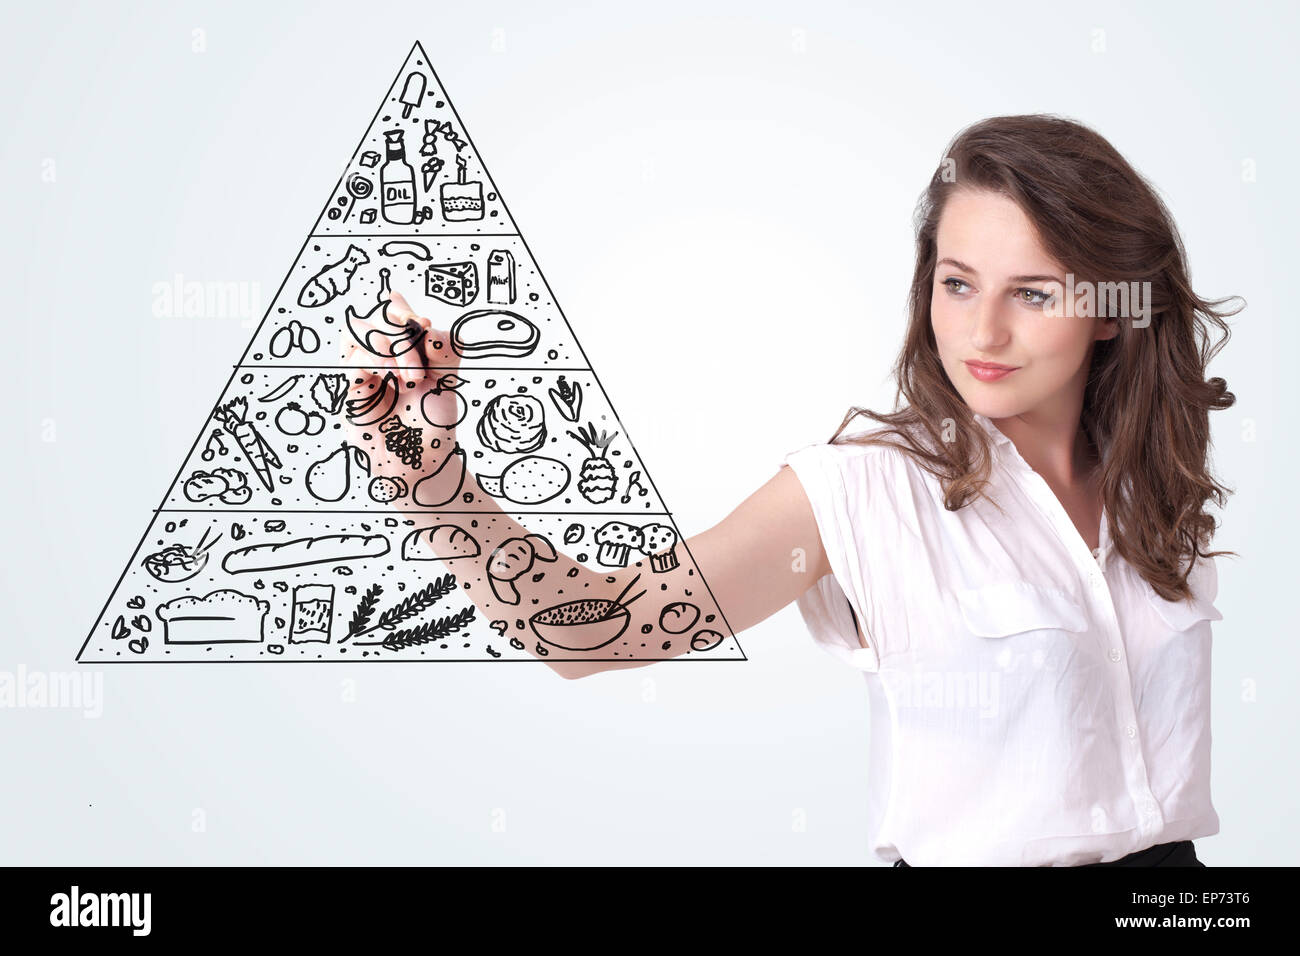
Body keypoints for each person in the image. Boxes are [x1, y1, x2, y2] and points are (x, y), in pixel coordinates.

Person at [343, 114, 1240, 867]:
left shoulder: (1152, 486)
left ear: (1118, 312)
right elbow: (586, 633)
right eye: (957, 284)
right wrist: (428, 476)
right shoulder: (862, 488)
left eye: (1034, 294)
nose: (984, 330)